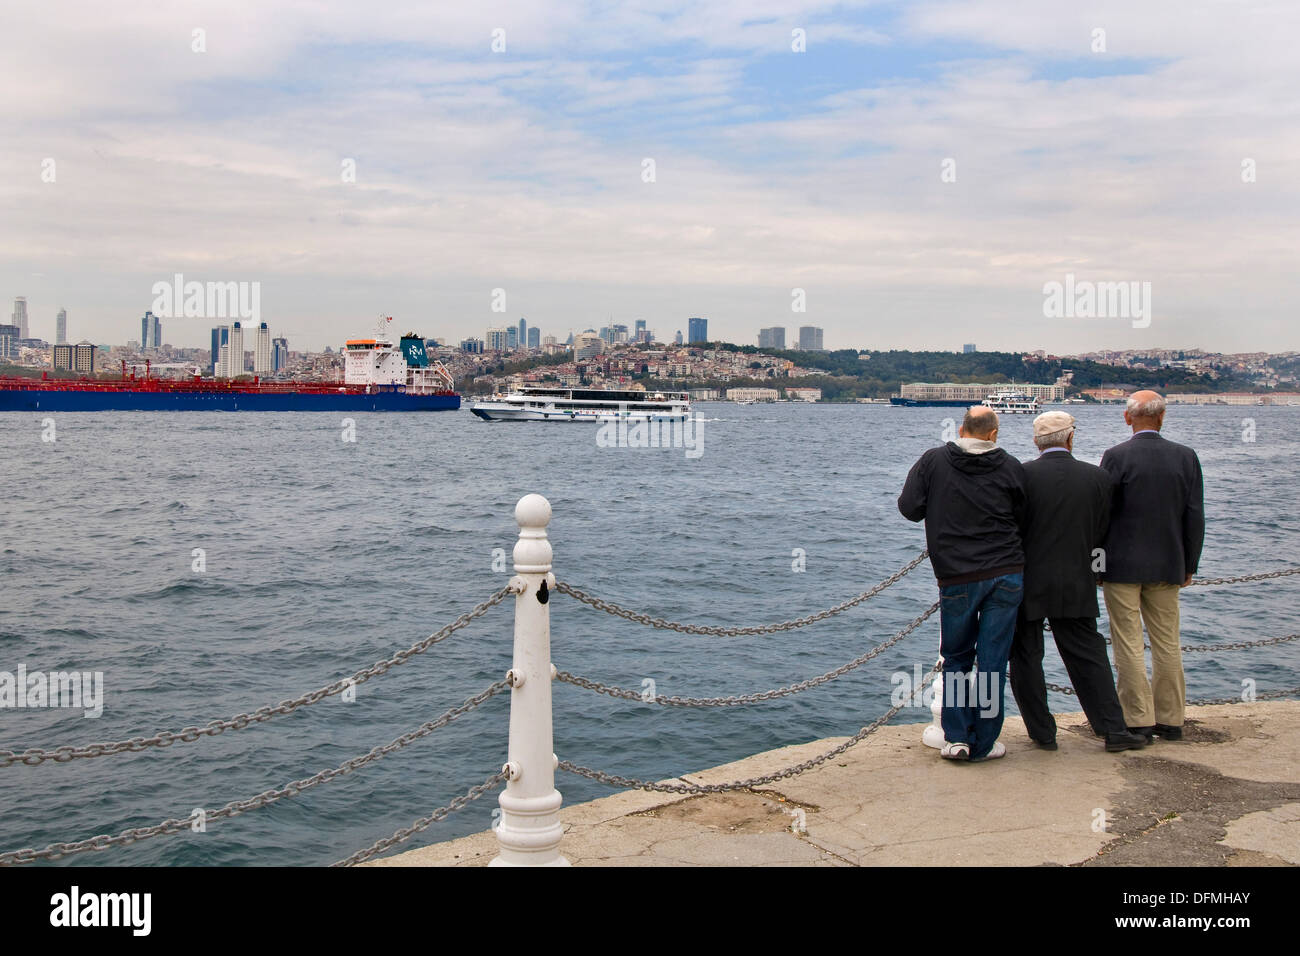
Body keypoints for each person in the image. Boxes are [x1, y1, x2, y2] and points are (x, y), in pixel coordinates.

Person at [1009, 411, 1148, 753]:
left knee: (1025, 657)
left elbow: (1012, 528)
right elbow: (1102, 531)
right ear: (1071, 438)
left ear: (1035, 442)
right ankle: (1113, 730)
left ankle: (1042, 732)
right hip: (1076, 578)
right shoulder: (1098, 479)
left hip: (1027, 579)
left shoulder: (1020, 477)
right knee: (1088, 656)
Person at [898, 405, 1027, 762]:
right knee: (992, 661)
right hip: (1005, 572)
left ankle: (956, 738)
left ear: (962, 429)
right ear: (993, 434)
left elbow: (909, 508)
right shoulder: (1012, 466)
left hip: (957, 574)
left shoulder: (933, 461)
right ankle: (984, 742)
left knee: (956, 658)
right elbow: (1025, 516)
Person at [1100, 391, 1205, 742]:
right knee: (1167, 643)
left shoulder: (1115, 457)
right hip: (1168, 563)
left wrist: (1096, 561)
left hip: (1121, 565)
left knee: (1127, 644)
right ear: (1162, 418)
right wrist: (1189, 563)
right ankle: (1171, 720)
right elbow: (1194, 515)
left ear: (1128, 419)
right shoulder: (1186, 457)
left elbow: (1103, 515)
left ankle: (1137, 720)